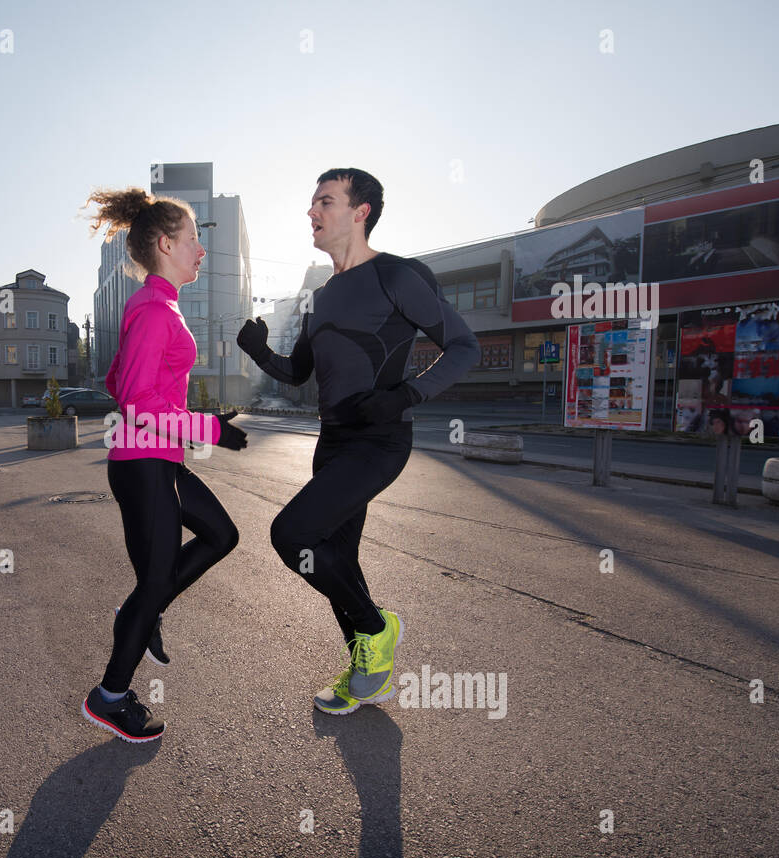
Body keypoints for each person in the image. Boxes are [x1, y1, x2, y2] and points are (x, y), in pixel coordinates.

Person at [238, 168, 480, 715]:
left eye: (325, 201)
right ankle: (368, 674)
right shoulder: (320, 298)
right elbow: (297, 373)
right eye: (312, 202)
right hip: (332, 442)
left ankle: (378, 628)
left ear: (360, 211)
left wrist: (407, 395)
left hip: (380, 440)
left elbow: (464, 347)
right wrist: (257, 351)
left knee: (291, 534)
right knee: (337, 559)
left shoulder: (396, 275)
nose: (311, 212)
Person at [80, 187, 248, 742]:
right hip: (142, 461)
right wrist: (209, 429)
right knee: (154, 581)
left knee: (221, 535)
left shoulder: (157, 304)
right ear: (166, 243)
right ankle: (110, 696)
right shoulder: (153, 308)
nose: (202, 251)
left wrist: (186, 414)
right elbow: (131, 400)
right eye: (194, 240)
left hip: (157, 458)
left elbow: (120, 380)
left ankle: (140, 611)